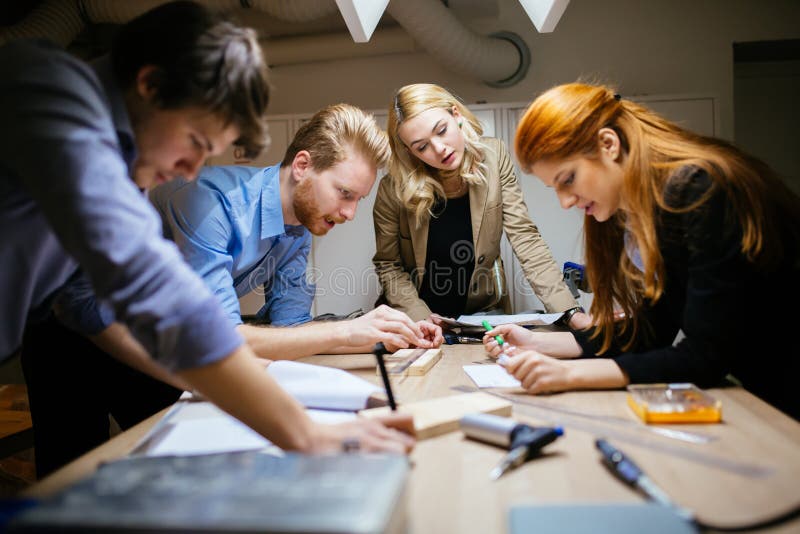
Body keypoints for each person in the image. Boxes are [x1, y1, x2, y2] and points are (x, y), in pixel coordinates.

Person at [2, 0, 412, 480]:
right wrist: (306, 431)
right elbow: (164, 296)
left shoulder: (127, 168)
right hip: (65, 348)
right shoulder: (50, 92)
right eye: (196, 142)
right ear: (151, 85)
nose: (192, 169)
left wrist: (293, 422)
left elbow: (105, 306)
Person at [484, 82, 800, 420]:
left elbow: (704, 356)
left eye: (568, 179)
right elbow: (653, 329)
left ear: (609, 144)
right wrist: (540, 344)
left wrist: (570, 374)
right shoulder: (644, 209)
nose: (565, 202)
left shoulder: (702, 189)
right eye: (554, 189)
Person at [149, 103, 443, 359]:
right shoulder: (209, 203)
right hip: (129, 343)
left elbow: (291, 328)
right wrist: (347, 330)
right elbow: (220, 338)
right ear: (302, 165)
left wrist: (388, 338)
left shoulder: (298, 227)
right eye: (344, 193)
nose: (350, 214)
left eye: (358, 199)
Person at [373, 83, 589, 329]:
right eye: (422, 147)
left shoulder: (494, 157)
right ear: (410, 152)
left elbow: (525, 238)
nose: (439, 149)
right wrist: (421, 318)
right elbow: (388, 264)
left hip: (482, 313)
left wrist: (569, 312)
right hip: (418, 319)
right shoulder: (392, 189)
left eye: (442, 130)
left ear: (456, 115)